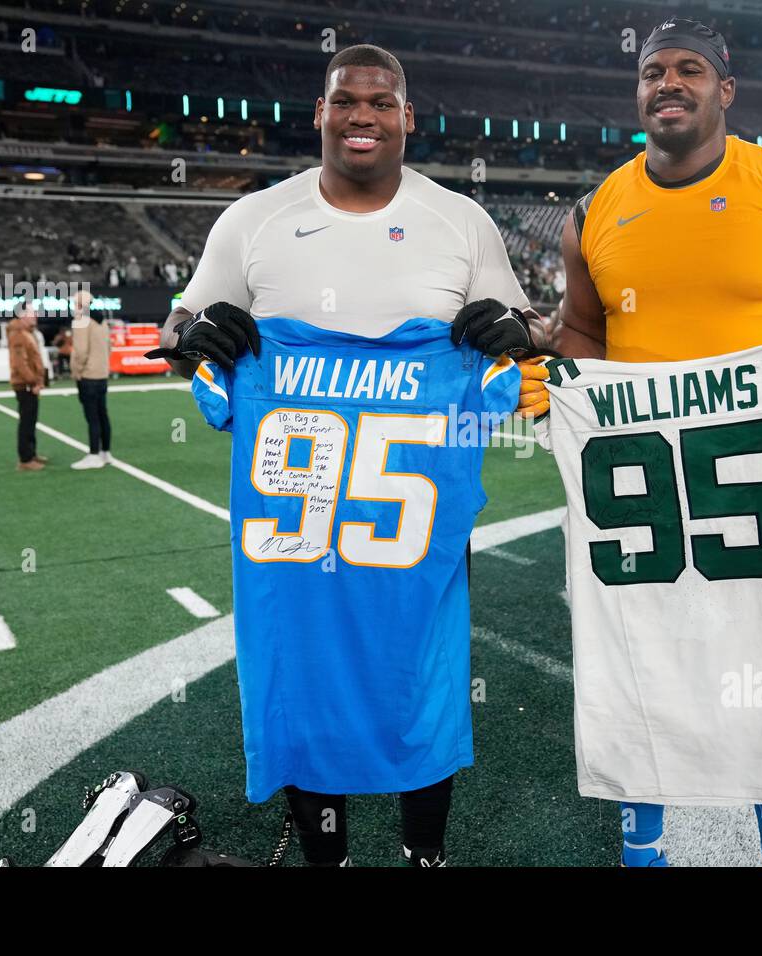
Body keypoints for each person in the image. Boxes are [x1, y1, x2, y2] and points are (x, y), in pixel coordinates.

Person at [520, 18, 762, 868]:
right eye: (652, 71)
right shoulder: (595, 211)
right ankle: (645, 851)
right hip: (639, 486)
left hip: (751, 478)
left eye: (689, 69)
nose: (668, 82)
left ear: (725, 90)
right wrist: (551, 380)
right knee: (636, 660)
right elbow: (581, 337)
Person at [151, 44, 535, 867]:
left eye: (381, 101)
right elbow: (175, 326)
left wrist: (511, 333)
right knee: (306, 677)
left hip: (415, 518)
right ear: (320, 114)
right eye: (345, 100)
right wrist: (195, 340)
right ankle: (330, 857)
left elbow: (525, 330)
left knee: (423, 677)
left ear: (407, 118)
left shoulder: (460, 220)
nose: (362, 114)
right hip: (300, 517)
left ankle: (422, 852)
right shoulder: (252, 219)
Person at [69, 289, 112, 469]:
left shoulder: (81, 320)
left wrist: (77, 371)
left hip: (88, 375)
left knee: (92, 417)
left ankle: (94, 454)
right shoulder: (102, 321)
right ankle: (105, 452)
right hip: (101, 374)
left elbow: (80, 351)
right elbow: (108, 348)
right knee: (102, 415)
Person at [8, 305, 48, 471]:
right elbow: (20, 364)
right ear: (22, 315)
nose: (35, 316)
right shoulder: (19, 335)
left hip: (29, 384)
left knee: (31, 420)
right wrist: (33, 382)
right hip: (25, 385)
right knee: (26, 421)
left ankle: (31, 454)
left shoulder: (28, 333)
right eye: (32, 313)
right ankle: (25, 459)